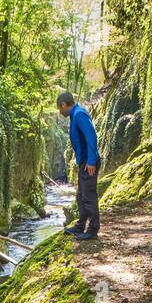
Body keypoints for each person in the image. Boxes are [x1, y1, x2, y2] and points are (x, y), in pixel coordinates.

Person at [56, 91, 100, 239]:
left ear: (63, 104)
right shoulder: (75, 114)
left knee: (88, 196)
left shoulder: (79, 114)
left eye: (59, 108)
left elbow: (91, 136)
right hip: (84, 162)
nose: (60, 112)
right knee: (81, 196)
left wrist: (91, 161)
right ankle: (80, 226)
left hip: (89, 162)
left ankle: (92, 230)